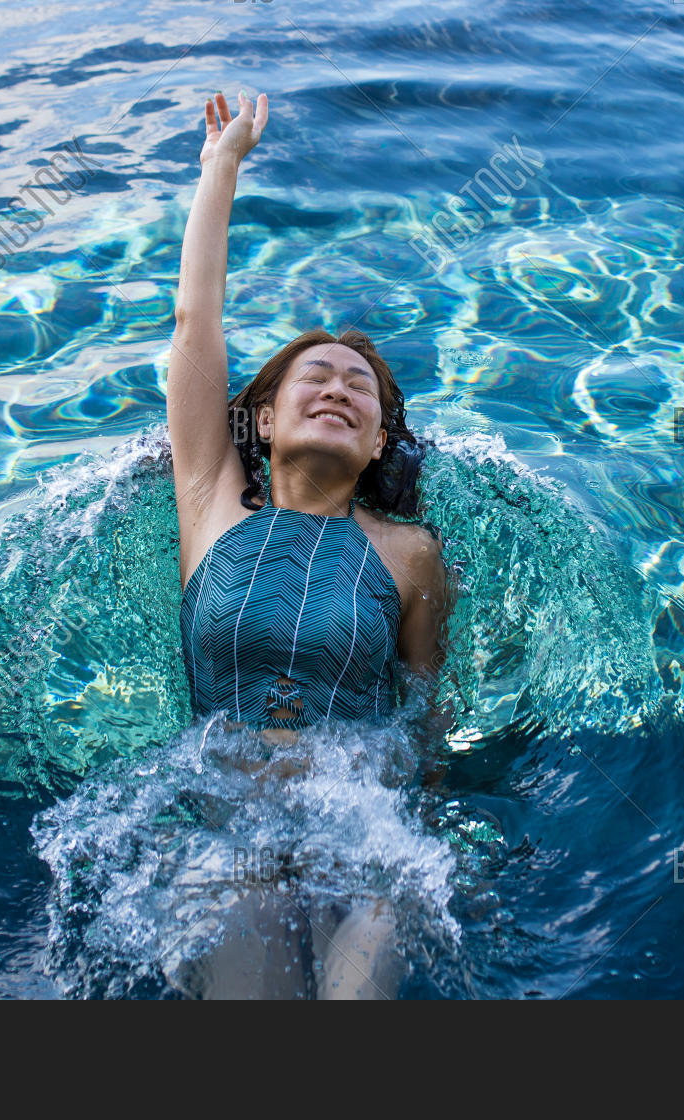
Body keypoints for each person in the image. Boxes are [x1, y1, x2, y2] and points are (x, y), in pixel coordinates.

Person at [166, 90, 453, 998]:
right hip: (234, 838)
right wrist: (221, 168)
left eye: (360, 388)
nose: (337, 388)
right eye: (315, 375)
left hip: (363, 841)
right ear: (261, 417)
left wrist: (435, 830)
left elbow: (424, 713)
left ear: (377, 443)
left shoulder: (410, 554)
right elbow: (194, 324)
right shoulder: (211, 505)